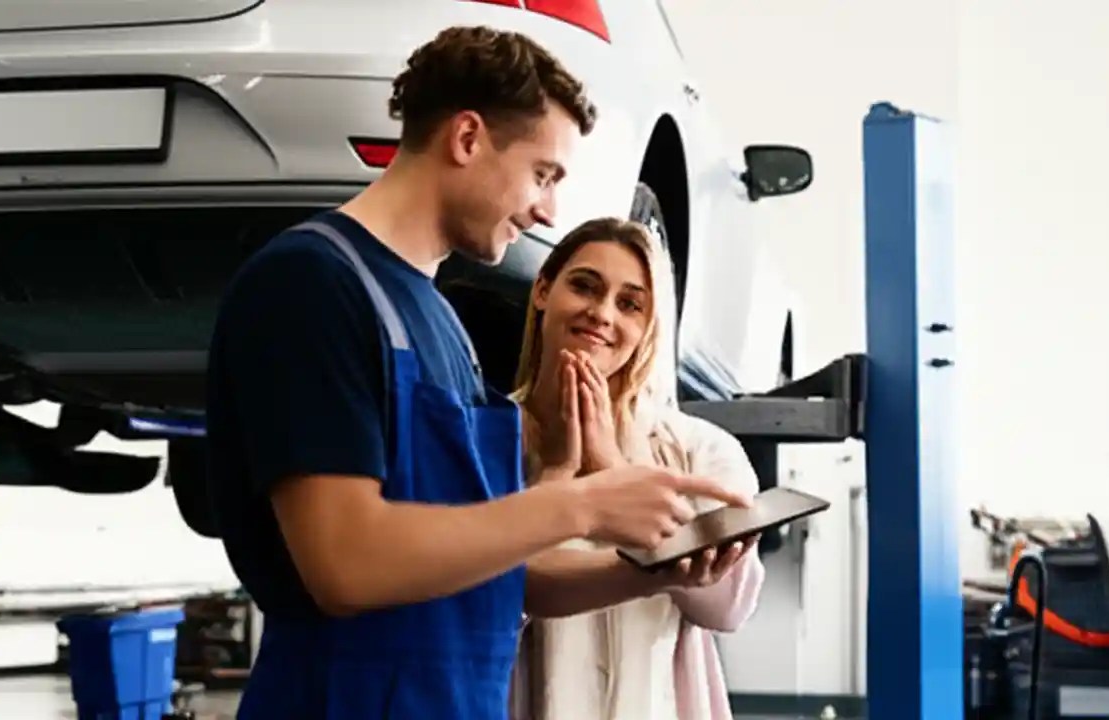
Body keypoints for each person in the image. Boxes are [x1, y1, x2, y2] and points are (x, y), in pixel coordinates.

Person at [203, 25, 750, 720]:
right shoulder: (313, 285)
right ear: (467, 138)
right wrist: (585, 503)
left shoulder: (440, 325)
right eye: (543, 174)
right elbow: (345, 562)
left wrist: (637, 567)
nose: (548, 209)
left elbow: (494, 577)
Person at [508, 217, 767, 720]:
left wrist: (613, 469)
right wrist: (557, 479)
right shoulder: (484, 435)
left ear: (649, 326)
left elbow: (728, 605)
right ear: (542, 291)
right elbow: (479, 604)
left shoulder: (700, 450)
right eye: (584, 286)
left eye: (630, 304)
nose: (601, 314)